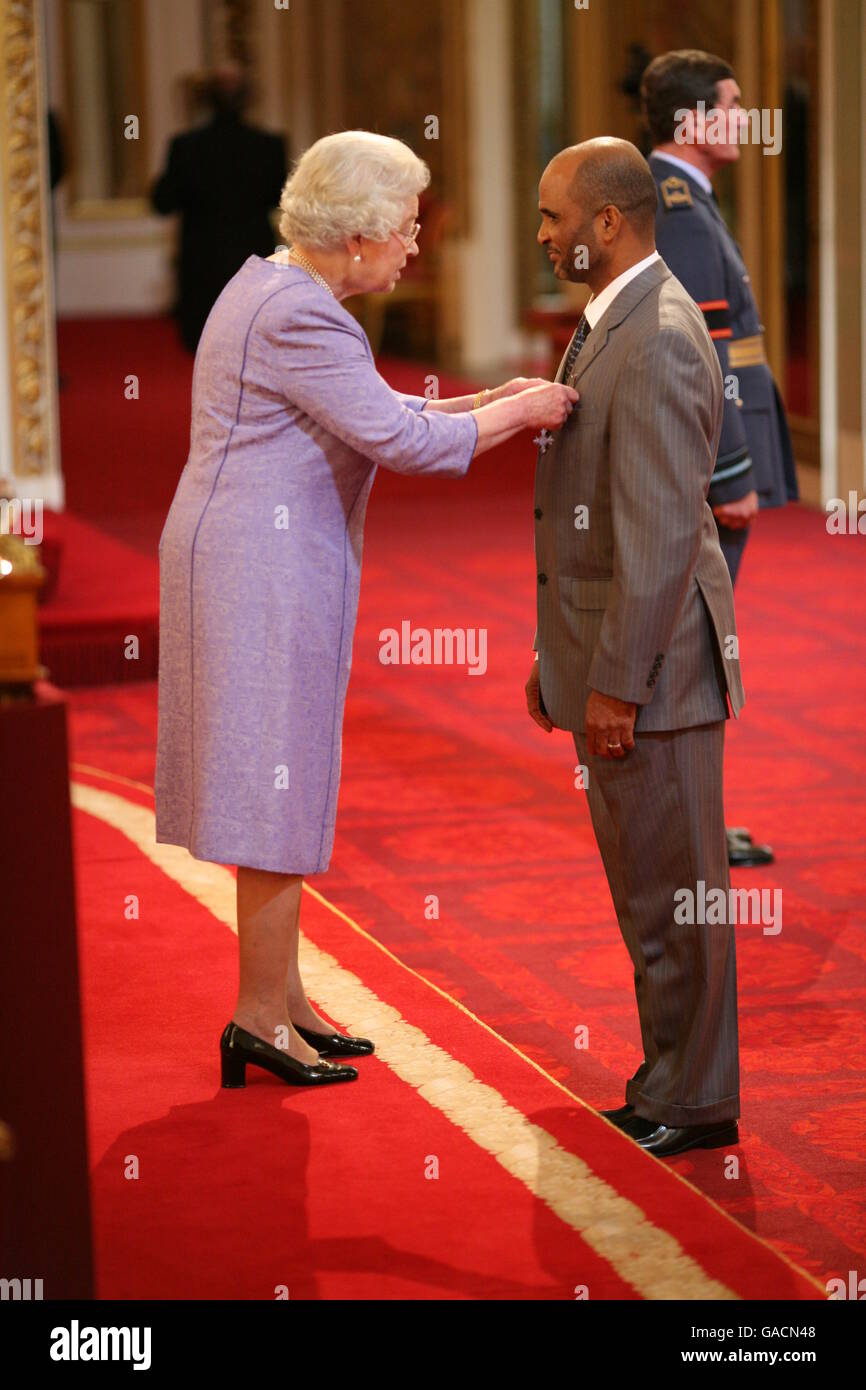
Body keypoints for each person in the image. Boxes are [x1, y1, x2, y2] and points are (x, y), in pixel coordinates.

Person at [155, 130, 577, 1091]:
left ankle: (285, 998)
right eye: (409, 230)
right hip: (253, 566)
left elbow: (375, 412)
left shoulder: (277, 289)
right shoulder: (303, 316)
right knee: (272, 786)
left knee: (283, 775)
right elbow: (400, 440)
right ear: (360, 236)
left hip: (245, 554)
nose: (417, 247)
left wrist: (495, 394)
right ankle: (259, 1018)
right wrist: (527, 411)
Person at [526, 137, 744, 1157]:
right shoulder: (614, 317)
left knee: (672, 899)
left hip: (655, 674)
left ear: (605, 223)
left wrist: (613, 681)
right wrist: (560, 661)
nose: (541, 235)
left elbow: (657, 537)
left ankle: (691, 1101)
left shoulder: (650, 332)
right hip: (625, 659)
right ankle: (670, 1082)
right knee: (651, 891)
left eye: (550, 218)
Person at [641, 49, 799, 868]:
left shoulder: (686, 201)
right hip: (712, 472)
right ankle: (689, 828)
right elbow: (705, 353)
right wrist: (733, 477)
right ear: (695, 121)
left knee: (704, 651)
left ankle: (699, 819)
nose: (746, 118)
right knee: (697, 656)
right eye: (734, 104)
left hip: (714, 464)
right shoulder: (677, 207)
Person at [151, 64, 288, 352]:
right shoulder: (269, 146)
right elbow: (281, 199)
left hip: (201, 265)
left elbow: (162, 202)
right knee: (253, 342)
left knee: (202, 348)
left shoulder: (185, 146)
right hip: (251, 258)